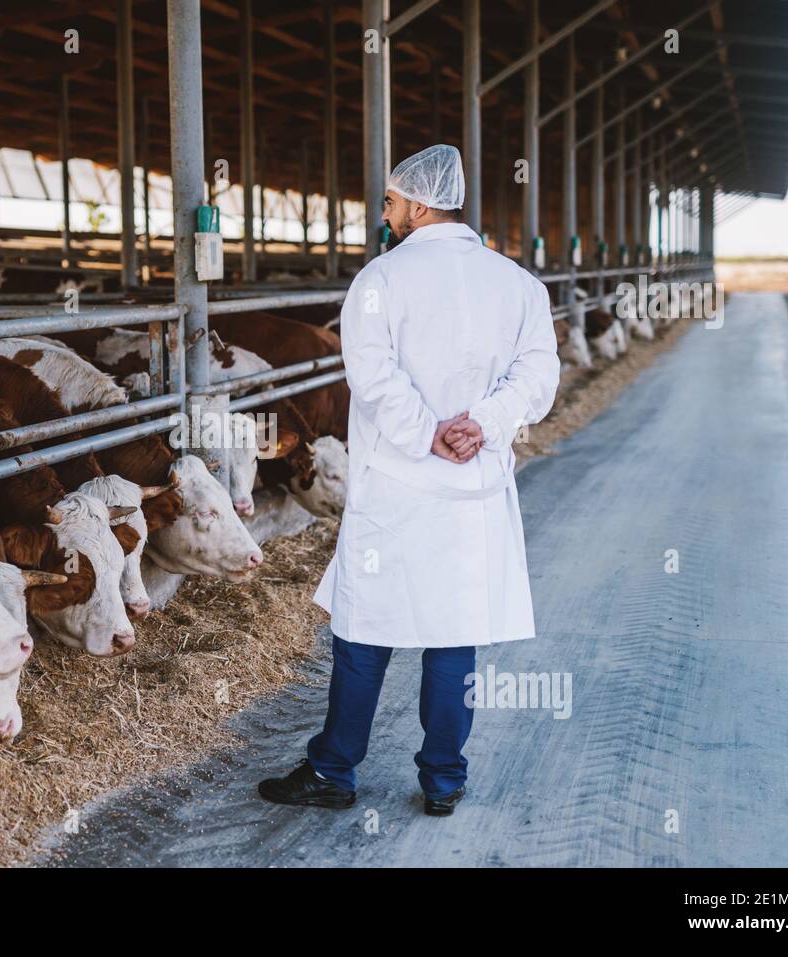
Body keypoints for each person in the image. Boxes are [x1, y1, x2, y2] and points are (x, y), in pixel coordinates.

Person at [258, 144, 561, 817]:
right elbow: (538, 376)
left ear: (420, 204)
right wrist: (479, 423)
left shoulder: (380, 281)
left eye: (391, 202)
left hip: (397, 484)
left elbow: (372, 378)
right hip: (472, 490)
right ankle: (443, 781)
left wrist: (428, 431)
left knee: (365, 633)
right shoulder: (516, 284)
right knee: (454, 638)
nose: (386, 214)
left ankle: (334, 770)